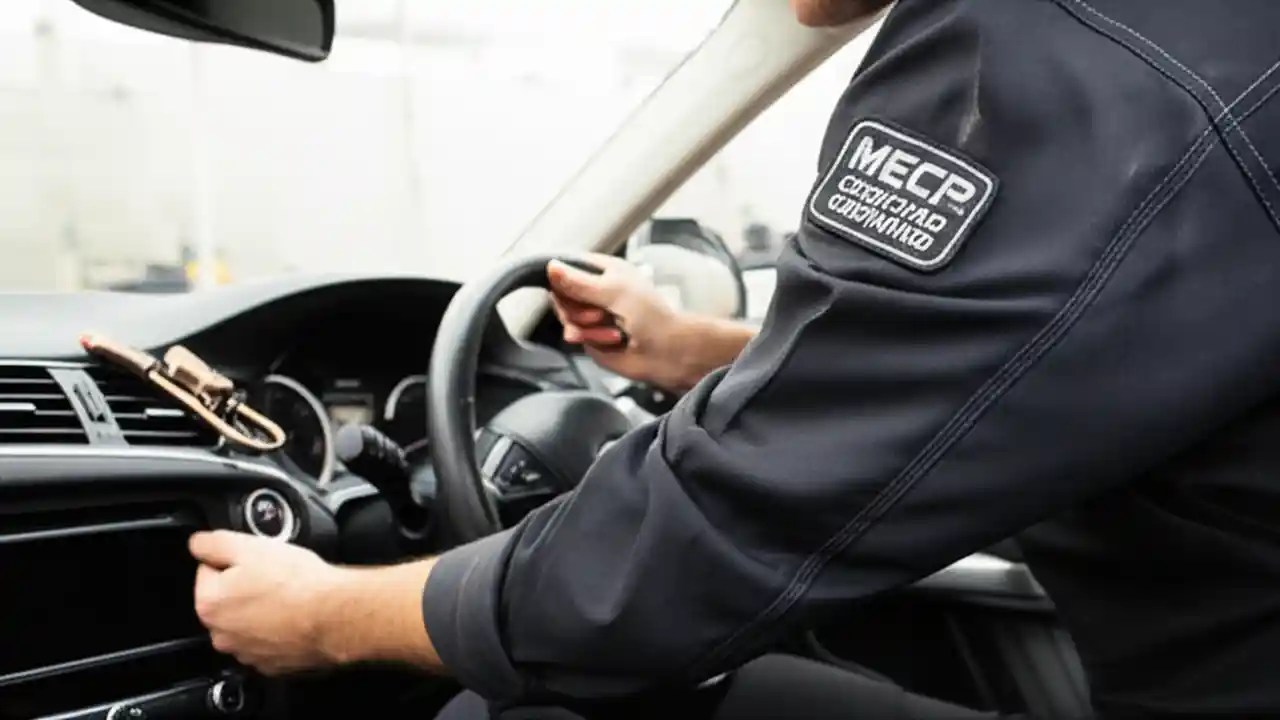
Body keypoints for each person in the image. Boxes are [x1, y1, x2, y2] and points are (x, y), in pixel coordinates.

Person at [187, 0, 1280, 718]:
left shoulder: (1069, 53)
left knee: (528, 708)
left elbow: (712, 535)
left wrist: (324, 616)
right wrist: (695, 352)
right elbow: (1042, 358)